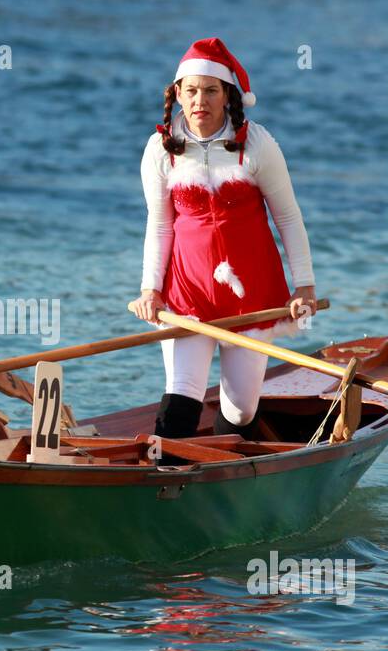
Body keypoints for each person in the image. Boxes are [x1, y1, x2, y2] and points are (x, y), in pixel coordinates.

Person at [130, 37, 318, 446]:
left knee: (241, 408)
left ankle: (221, 464)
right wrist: (150, 289)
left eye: (211, 90)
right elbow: (159, 224)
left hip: (250, 291)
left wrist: (304, 285)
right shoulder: (160, 149)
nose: (201, 100)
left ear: (227, 94)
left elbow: (287, 216)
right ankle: (164, 474)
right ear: (178, 93)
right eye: (192, 90)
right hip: (187, 291)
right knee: (182, 393)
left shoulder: (256, 144)